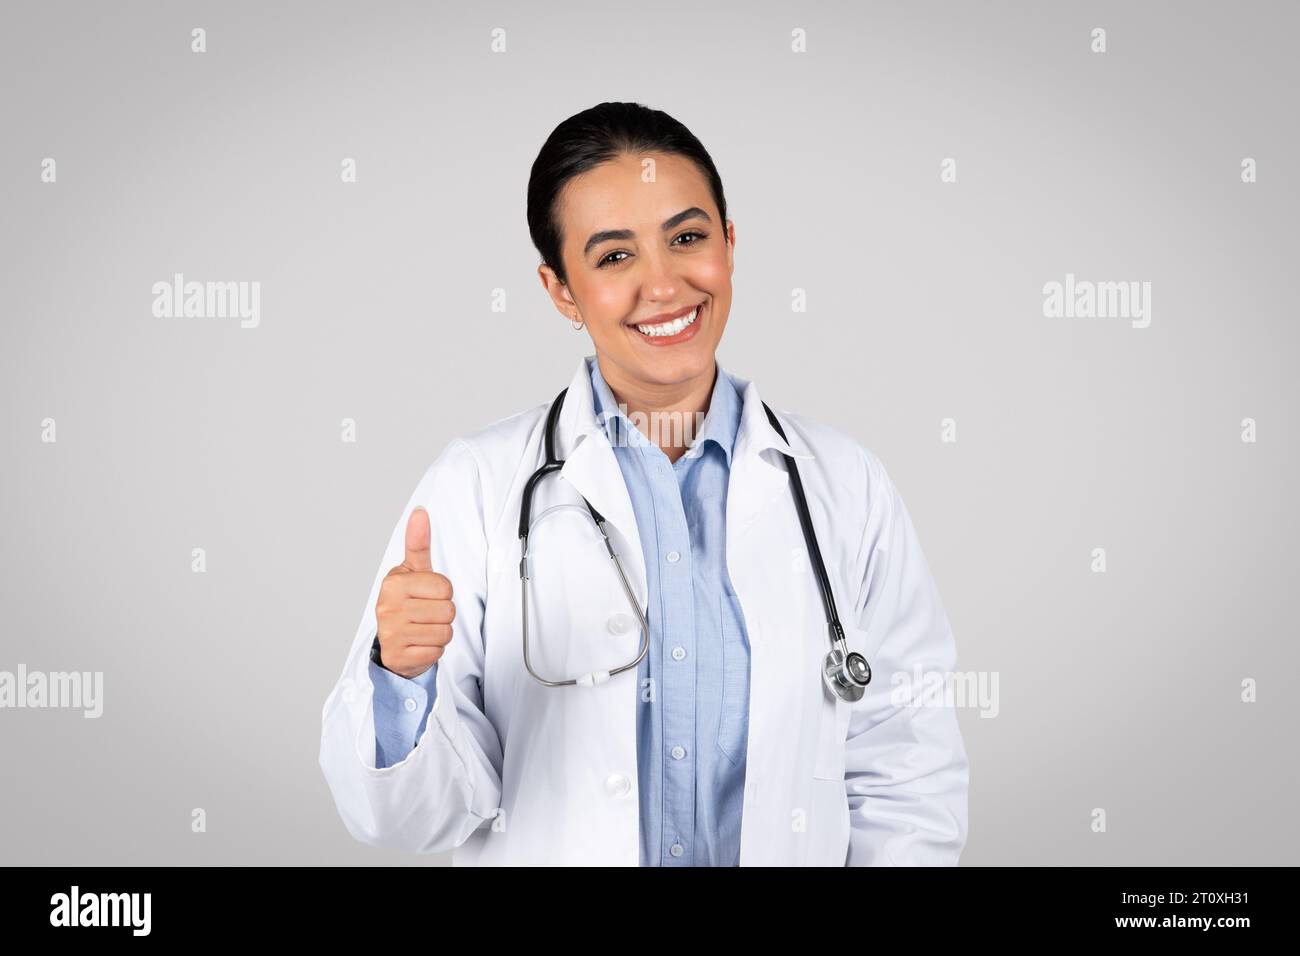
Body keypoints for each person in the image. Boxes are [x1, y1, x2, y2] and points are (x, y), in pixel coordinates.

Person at [319, 101, 969, 866]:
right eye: (615, 257)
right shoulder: (476, 486)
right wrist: (400, 678)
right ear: (561, 289)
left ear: (729, 245)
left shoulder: (844, 484)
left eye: (687, 238)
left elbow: (907, 773)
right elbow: (407, 824)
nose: (663, 286)